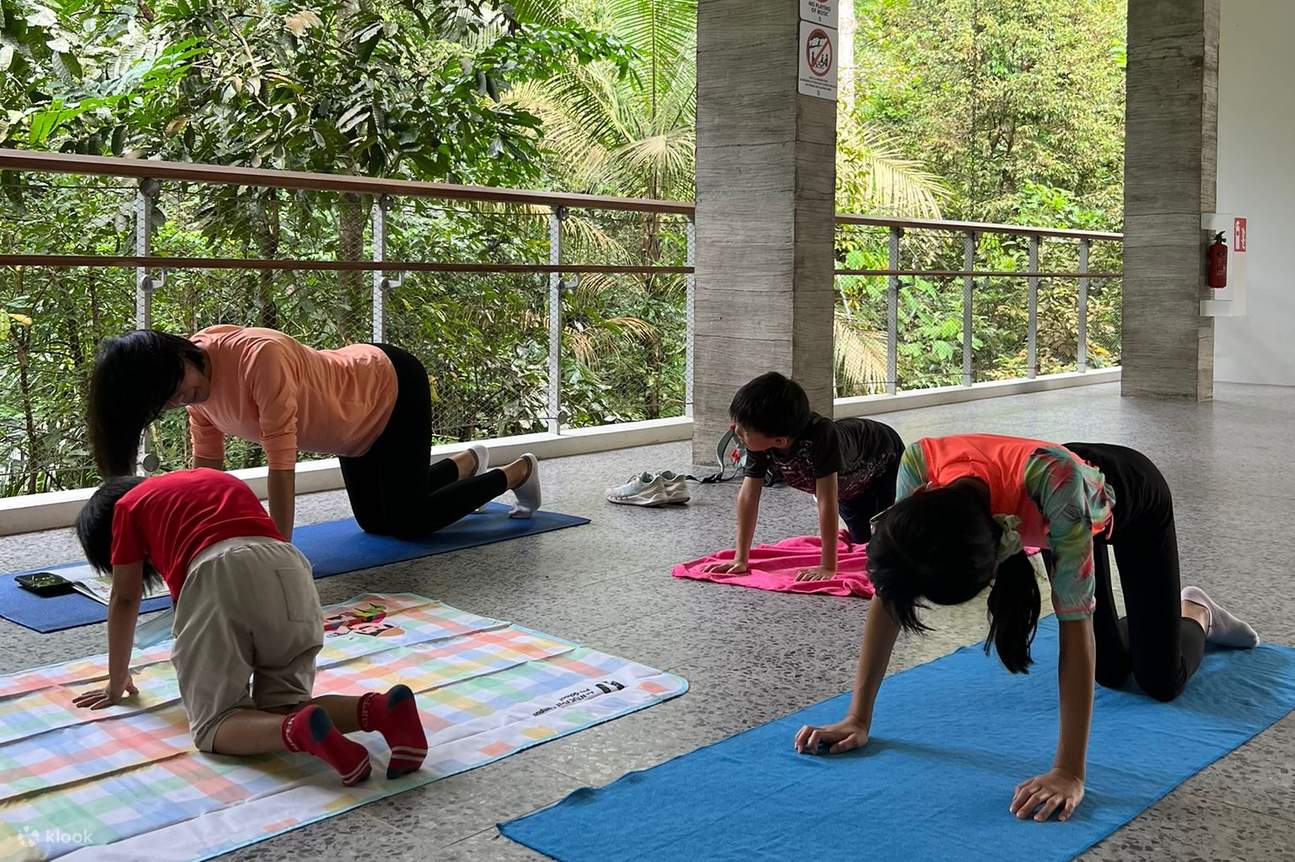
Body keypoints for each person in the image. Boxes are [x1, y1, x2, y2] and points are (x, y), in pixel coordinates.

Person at [793, 434, 1259, 822]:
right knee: (1113, 673)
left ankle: (1196, 610)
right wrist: (858, 717)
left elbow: (1074, 627)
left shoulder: (1057, 494)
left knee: (1160, 681)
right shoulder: (920, 467)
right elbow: (889, 593)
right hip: (1056, 490)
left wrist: (1068, 771)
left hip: (1126, 496)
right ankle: (1149, 620)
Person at [73, 468, 428, 784]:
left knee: (216, 725)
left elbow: (124, 598)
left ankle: (297, 731)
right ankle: (382, 710)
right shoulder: (213, 479)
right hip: (290, 567)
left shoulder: (127, 508)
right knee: (283, 706)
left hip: (218, 572)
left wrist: (117, 680)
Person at [87, 326, 541, 540]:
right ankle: (466, 463)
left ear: (179, 357)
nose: (179, 402)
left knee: (408, 521)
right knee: (374, 522)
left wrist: (279, 551)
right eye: (166, 404)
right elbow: (208, 471)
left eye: (174, 391)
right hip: (346, 428)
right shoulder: (194, 391)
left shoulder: (256, 358)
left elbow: (281, 466)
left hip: (386, 386)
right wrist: (196, 538)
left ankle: (516, 473)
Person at [703, 372, 905, 582]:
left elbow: (826, 499)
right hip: (850, 487)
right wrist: (740, 558)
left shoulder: (821, 436)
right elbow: (748, 496)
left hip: (883, 457)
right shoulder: (758, 442)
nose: (735, 430)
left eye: (744, 430)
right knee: (862, 542)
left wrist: (827, 566)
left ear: (780, 441)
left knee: (888, 545)